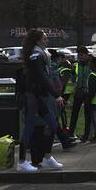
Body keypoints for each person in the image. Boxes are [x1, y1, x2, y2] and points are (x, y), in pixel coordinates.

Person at [18, 29, 62, 172]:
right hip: (33, 96)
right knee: (29, 128)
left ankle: (47, 157)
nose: (46, 40)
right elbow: (42, 77)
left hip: (39, 95)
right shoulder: (36, 56)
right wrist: (56, 95)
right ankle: (22, 162)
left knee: (53, 125)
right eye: (44, 39)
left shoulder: (41, 54)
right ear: (37, 41)